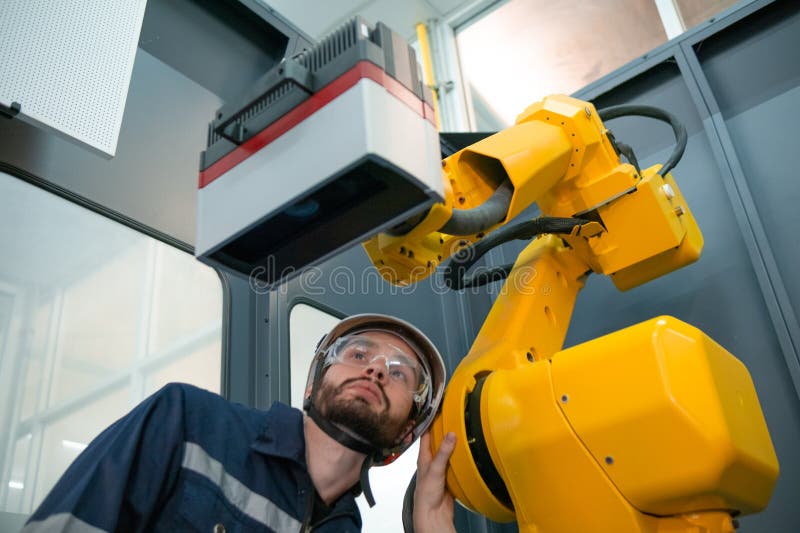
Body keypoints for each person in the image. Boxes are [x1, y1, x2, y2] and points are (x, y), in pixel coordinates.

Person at [22, 314, 457, 532]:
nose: (376, 369)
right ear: (312, 386)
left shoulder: (345, 528)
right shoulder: (186, 421)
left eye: (399, 373)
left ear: (406, 434)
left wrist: (433, 525)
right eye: (358, 354)